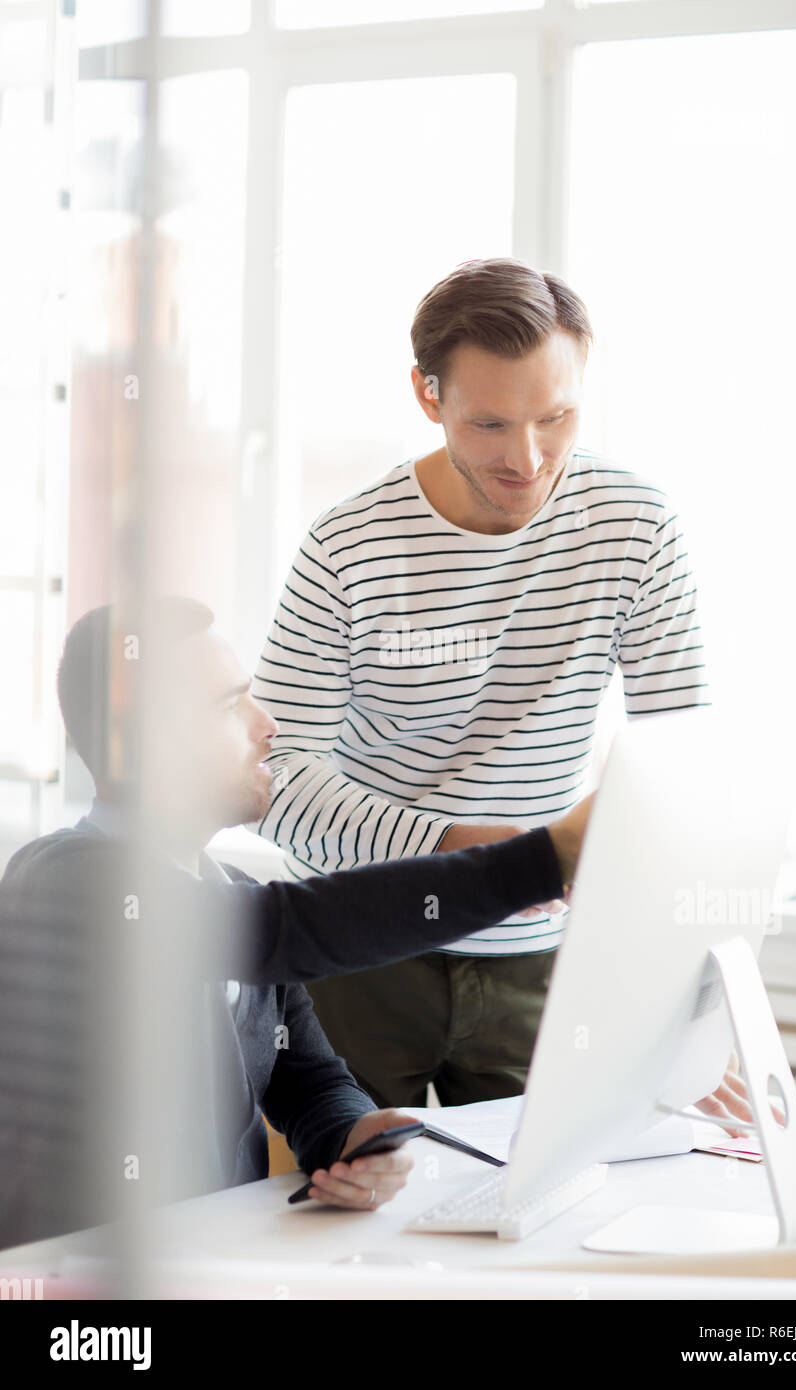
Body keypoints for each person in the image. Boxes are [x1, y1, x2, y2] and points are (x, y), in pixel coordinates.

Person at [252, 257, 711, 1108]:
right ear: (430, 397)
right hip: (361, 943)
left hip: (542, 955)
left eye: (557, 417)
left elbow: (682, 750)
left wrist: (693, 985)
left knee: (538, 1219)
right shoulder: (346, 547)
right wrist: (463, 849)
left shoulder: (634, 524)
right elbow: (276, 779)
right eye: (491, 424)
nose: (528, 460)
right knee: (336, 1212)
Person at [0, 597, 593, 1248]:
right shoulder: (62, 880)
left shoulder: (232, 893)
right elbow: (291, 928)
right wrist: (539, 860)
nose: (268, 725)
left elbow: (309, 1080)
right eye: (230, 706)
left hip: (221, 1266)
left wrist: (354, 1137)